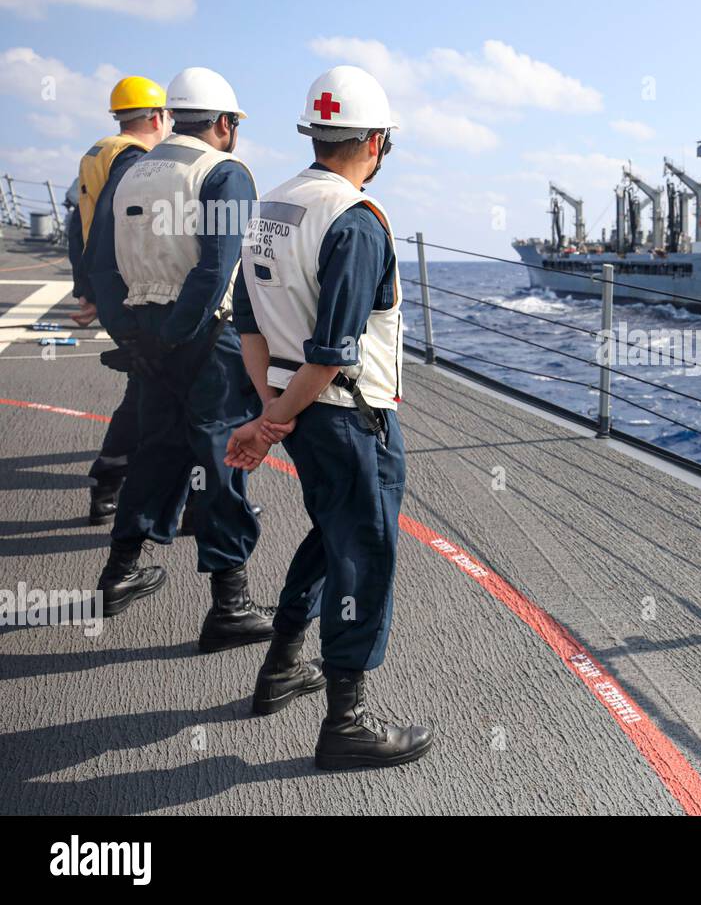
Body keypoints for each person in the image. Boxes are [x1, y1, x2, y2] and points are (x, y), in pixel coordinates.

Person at [226, 65, 431, 770]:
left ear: (315, 134)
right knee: (365, 553)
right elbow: (334, 350)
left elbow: (249, 322)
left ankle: (283, 665)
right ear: (376, 141)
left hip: (301, 413)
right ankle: (347, 722)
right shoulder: (357, 221)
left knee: (332, 529)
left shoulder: (270, 208)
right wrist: (272, 421)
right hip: (349, 417)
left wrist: (268, 413)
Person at [88, 67, 274, 653]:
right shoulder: (225, 174)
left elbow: (99, 263)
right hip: (205, 339)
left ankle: (120, 573)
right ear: (224, 123)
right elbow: (216, 269)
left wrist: (135, 338)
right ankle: (231, 605)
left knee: (157, 449)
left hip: (144, 335)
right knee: (222, 460)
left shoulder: (128, 171)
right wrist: (174, 335)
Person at [67, 76, 170, 524]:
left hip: (109, 284)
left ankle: (121, 484)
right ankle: (114, 484)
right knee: (153, 387)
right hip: (132, 288)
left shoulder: (98, 152)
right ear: (156, 116)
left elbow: (79, 224)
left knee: (152, 387)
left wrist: (87, 286)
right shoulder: (135, 161)